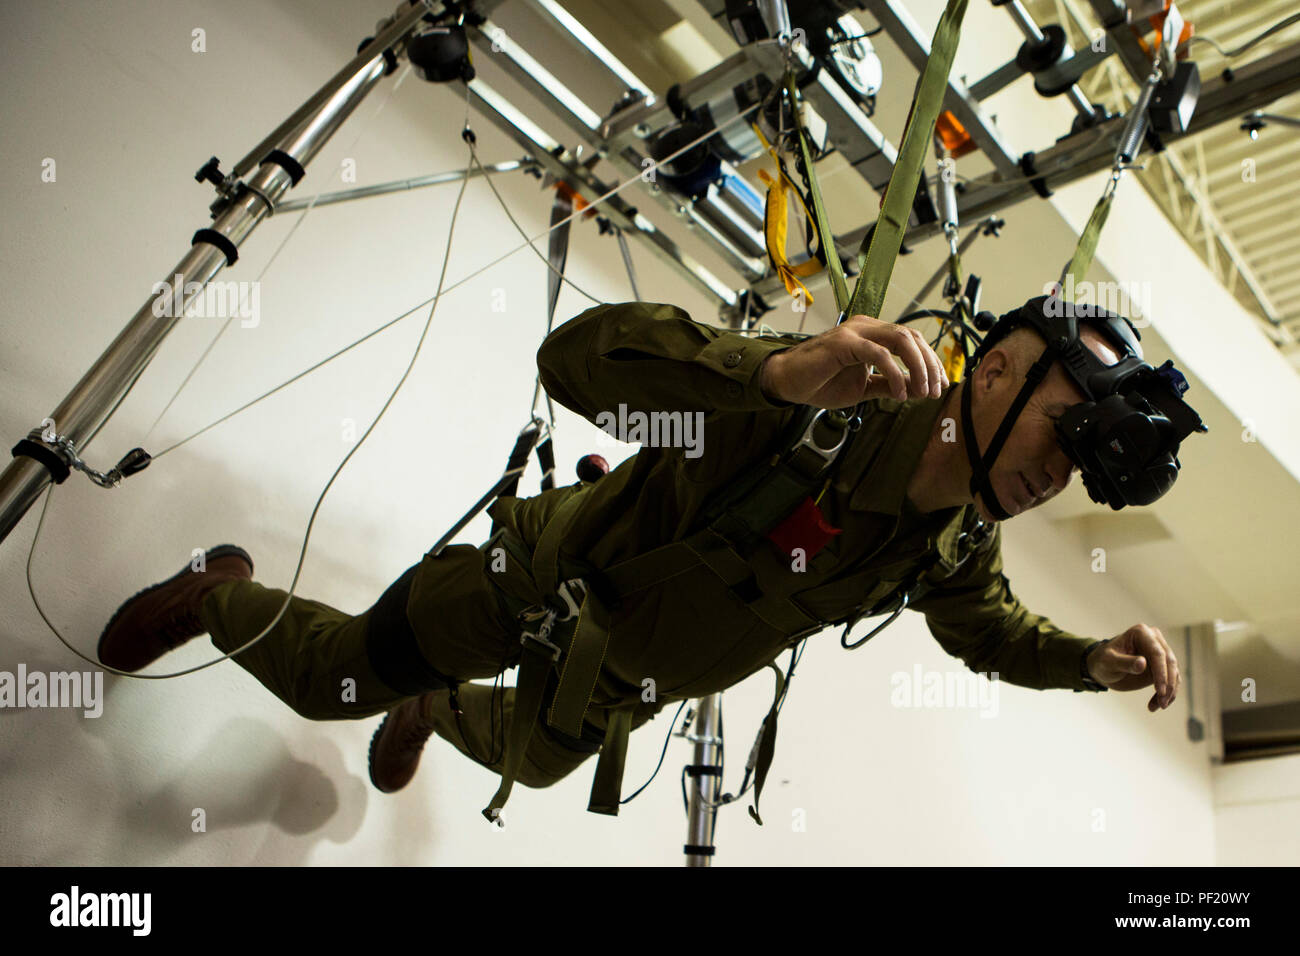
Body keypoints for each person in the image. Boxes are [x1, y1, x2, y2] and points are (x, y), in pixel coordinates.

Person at [97, 298, 1186, 820]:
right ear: (989, 373)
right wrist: (769, 373)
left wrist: (1087, 660)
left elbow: (990, 629)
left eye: (1081, 470)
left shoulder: (955, 541)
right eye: (1061, 435)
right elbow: (573, 365)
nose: (1056, 477)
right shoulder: (819, 407)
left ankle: (433, 707)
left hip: (616, 679)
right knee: (327, 681)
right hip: (535, 589)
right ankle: (217, 592)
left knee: (531, 763)